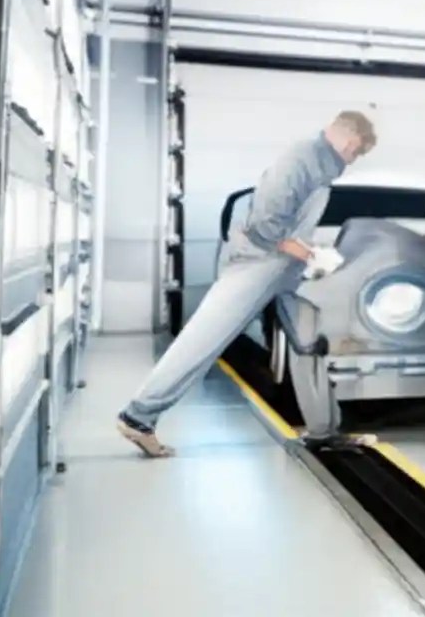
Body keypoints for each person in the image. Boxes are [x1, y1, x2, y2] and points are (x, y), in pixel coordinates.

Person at [117, 111, 377, 458]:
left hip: (285, 268)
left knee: (308, 342)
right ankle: (138, 416)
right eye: (356, 151)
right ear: (349, 138)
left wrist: (307, 254)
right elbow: (265, 226)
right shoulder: (302, 159)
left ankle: (323, 431)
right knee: (204, 338)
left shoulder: (321, 164)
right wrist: (311, 254)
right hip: (259, 262)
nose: (353, 159)